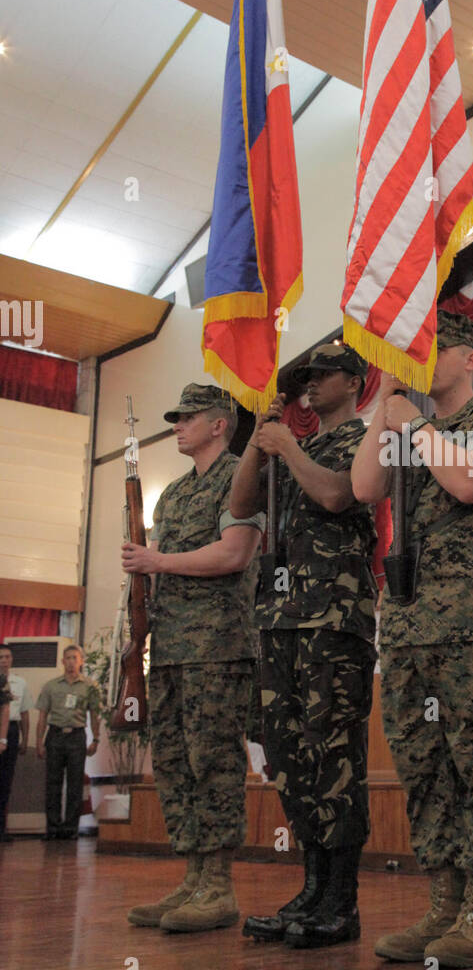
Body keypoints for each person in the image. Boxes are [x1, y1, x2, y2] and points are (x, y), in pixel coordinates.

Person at [352, 310, 473, 970]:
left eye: (432, 348)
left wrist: (415, 424)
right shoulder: (405, 424)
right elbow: (362, 488)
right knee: (422, 766)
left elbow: (470, 480)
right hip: (406, 623)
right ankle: (443, 902)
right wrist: (386, 405)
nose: (420, 359)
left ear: (467, 358)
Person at [230, 343, 378, 949]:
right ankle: (312, 888)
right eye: (303, 380)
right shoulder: (291, 444)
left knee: (333, 751)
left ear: (353, 380)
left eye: (321, 376)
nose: (310, 387)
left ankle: (341, 901)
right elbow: (239, 508)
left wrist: (287, 446)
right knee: (290, 756)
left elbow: (339, 496)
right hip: (281, 617)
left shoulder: (363, 440)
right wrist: (259, 439)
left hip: (333, 616)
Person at [122, 384, 264, 933]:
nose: (177, 426)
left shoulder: (239, 479)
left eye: (188, 418)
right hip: (173, 648)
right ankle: (192, 876)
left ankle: (219, 885)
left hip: (218, 647)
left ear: (219, 424)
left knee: (215, 763)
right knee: (176, 764)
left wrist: (156, 559)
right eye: (176, 419)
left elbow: (234, 553)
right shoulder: (175, 494)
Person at [35, 645, 100, 840]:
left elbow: (95, 715)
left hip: (76, 736)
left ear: (81, 661)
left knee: (75, 784)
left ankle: (71, 829)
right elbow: (42, 716)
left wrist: (96, 739)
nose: (71, 662)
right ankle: (53, 828)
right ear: (62, 662)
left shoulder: (89, 686)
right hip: (54, 735)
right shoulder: (51, 686)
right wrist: (39, 741)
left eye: (75, 658)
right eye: (68, 658)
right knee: (52, 783)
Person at [0, 643, 34, 842]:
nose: (4, 660)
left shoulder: (19, 683)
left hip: (11, 731)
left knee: (5, 781)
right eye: (1, 657)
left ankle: (2, 829)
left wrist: (24, 738)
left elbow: (24, 713)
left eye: (7, 657)